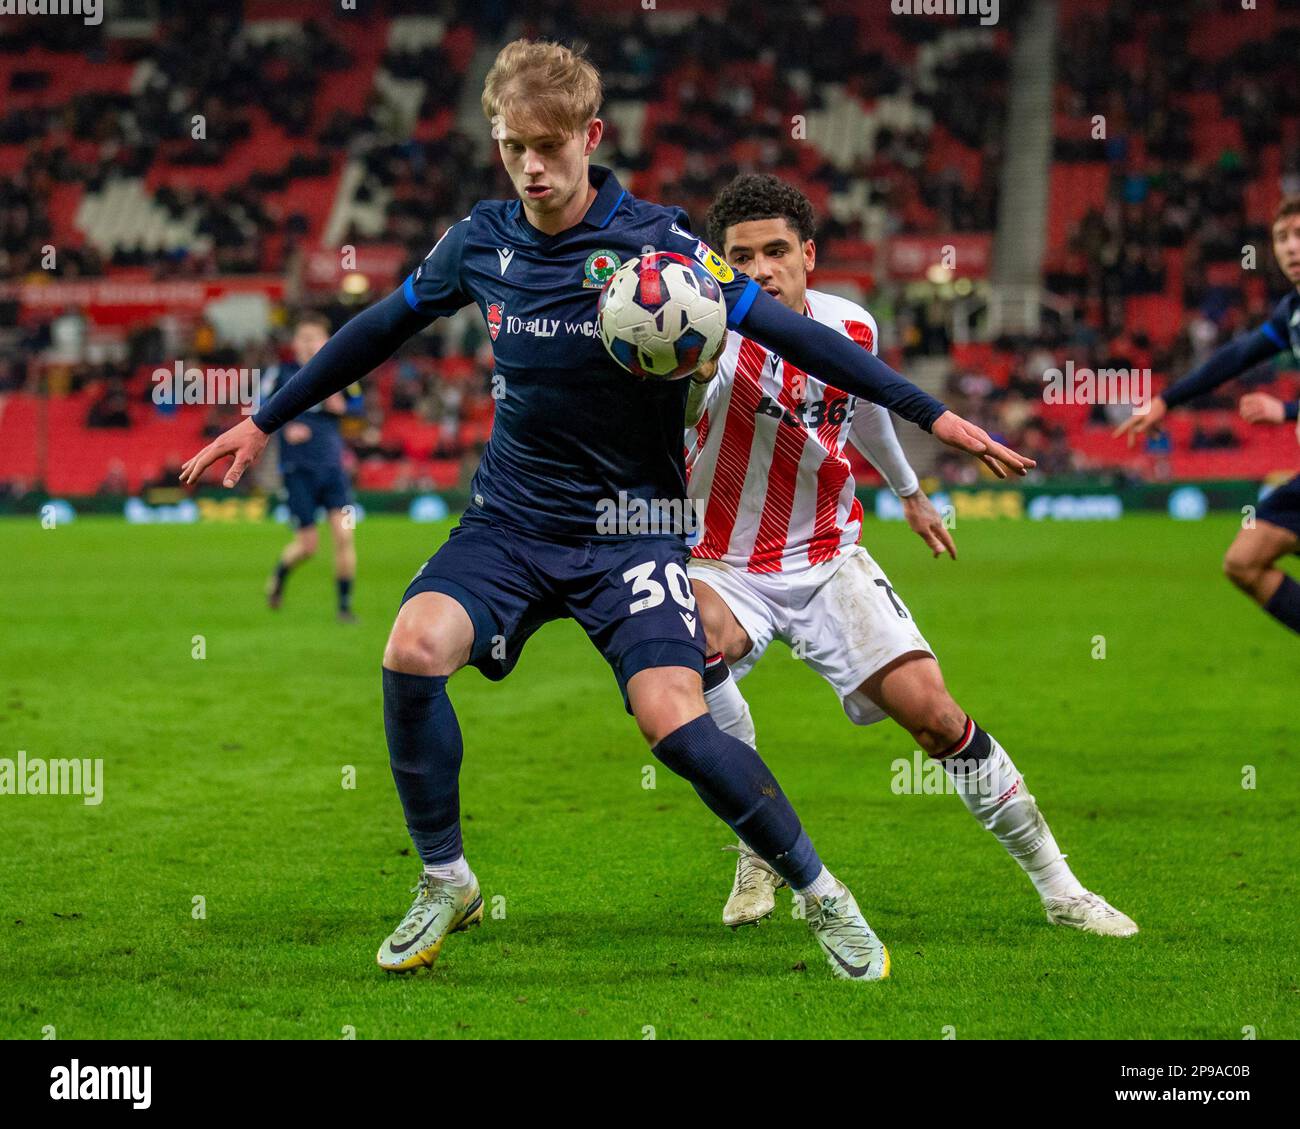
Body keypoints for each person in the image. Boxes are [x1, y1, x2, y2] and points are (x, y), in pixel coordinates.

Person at [179, 39, 1031, 982]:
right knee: (412, 646)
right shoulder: (482, 241)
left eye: (548, 146)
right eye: (512, 149)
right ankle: (446, 878)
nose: (531, 168)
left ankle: (822, 892)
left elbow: (790, 330)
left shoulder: (664, 247)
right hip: (508, 521)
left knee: (672, 717)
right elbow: (379, 327)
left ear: (591, 136)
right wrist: (262, 420)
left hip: (631, 532)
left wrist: (933, 414)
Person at [686, 174, 1137, 937]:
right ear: (719, 266)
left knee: (936, 718)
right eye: (740, 256)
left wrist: (911, 491)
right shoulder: (698, 332)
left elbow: (861, 409)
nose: (760, 269)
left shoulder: (851, 326)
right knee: (693, 654)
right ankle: (755, 840)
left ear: (809, 255)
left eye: (775, 251)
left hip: (828, 554)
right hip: (721, 560)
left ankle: (1062, 888)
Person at [1116, 196, 1300, 635]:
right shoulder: (1291, 312)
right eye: (1281, 238)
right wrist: (1166, 400)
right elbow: (1238, 355)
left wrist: (1288, 409)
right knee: (1244, 561)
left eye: (1299, 235)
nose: (1291, 247)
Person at [262, 314, 360, 623]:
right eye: (302, 337)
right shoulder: (281, 373)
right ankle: (279, 576)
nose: (307, 343)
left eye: (314, 337)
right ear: (294, 344)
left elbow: (358, 406)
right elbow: (260, 410)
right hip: (298, 469)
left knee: (344, 537)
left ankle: (344, 608)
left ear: (326, 342)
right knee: (308, 546)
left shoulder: (342, 372)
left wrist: (340, 405)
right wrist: (285, 425)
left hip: (333, 469)